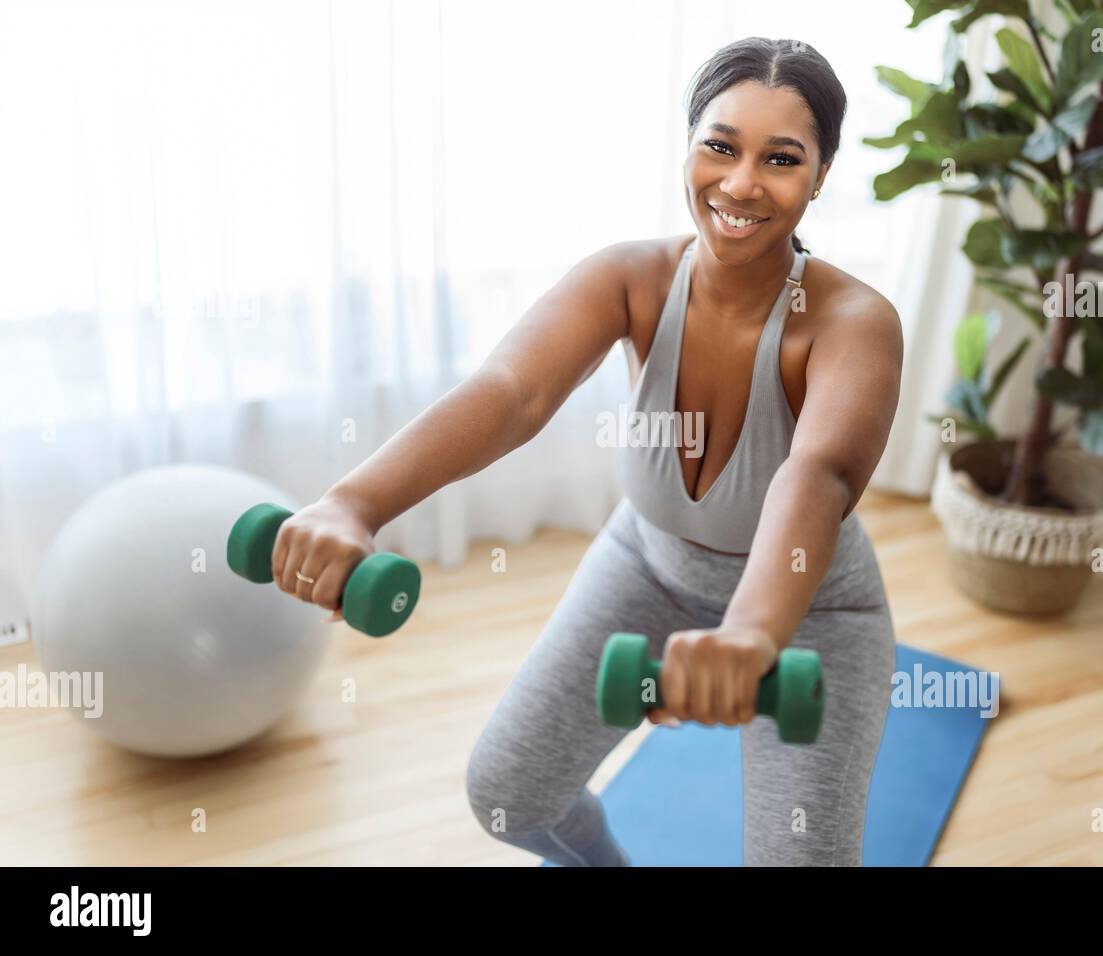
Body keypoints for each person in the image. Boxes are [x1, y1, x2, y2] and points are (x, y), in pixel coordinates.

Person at [271, 36, 903, 866]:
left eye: (781, 158)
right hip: (648, 566)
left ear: (819, 177)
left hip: (814, 608)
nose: (742, 183)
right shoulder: (631, 278)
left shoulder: (856, 324)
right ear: (688, 148)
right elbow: (510, 392)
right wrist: (354, 503)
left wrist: (751, 631)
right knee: (506, 797)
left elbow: (815, 474)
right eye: (720, 146)